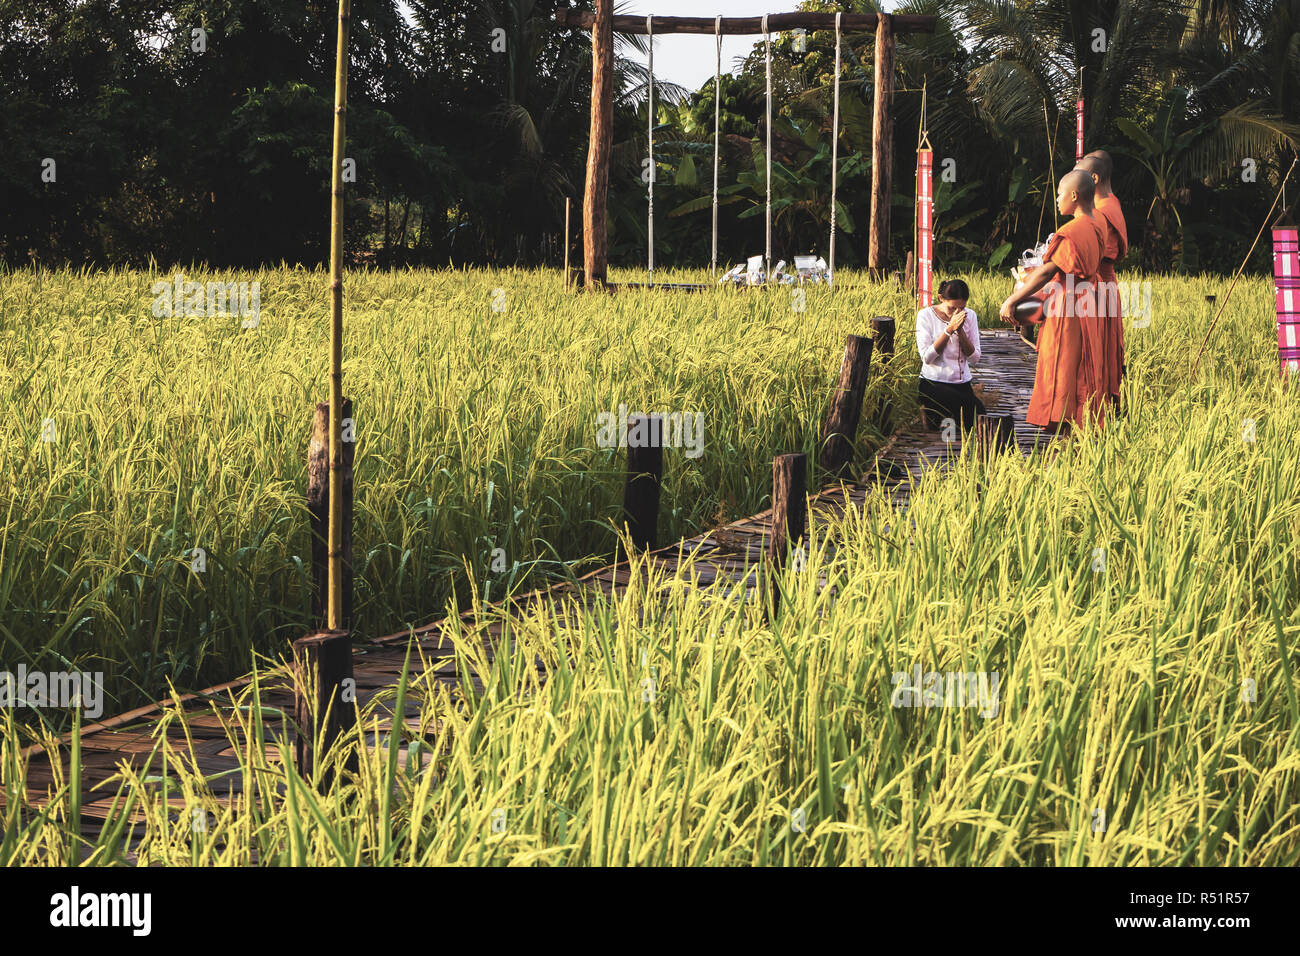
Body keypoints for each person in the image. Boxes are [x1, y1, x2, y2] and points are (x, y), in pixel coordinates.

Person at [999, 170, 1104, 435]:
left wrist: (1014, 299)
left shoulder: (1072, 230)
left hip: (1067, 307)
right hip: (1087, 303)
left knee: (1061, 364)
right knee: (1080, 365)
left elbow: (1048, 272)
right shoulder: (1096, 225)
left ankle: (1063, 424)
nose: (1056, 200)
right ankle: (1079, 422)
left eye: (1059, 194)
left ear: (1074, 195)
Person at [1078, 150, 1128, 412]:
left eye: (1079, 175)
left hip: (1095, 288)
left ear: (1094, 178)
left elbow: (1090, 257)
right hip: (1104, 286)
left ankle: (1093, 411)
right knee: (1104, 350)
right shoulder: (1112, 202)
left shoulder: (1102, 212)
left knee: (1094, 352)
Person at [916, 278, 985, 431]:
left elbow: (975, 358)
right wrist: (949, 330)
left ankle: (945, 415)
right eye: (952, 308)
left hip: (961, 383)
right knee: (952, 407)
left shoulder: (970, 316)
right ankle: (931, 413)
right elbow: (927, 358)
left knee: (977, 418)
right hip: (933, 382)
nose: (957, 312)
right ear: (941, 299)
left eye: (961, 308)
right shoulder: (925, 316)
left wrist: (960, 331)